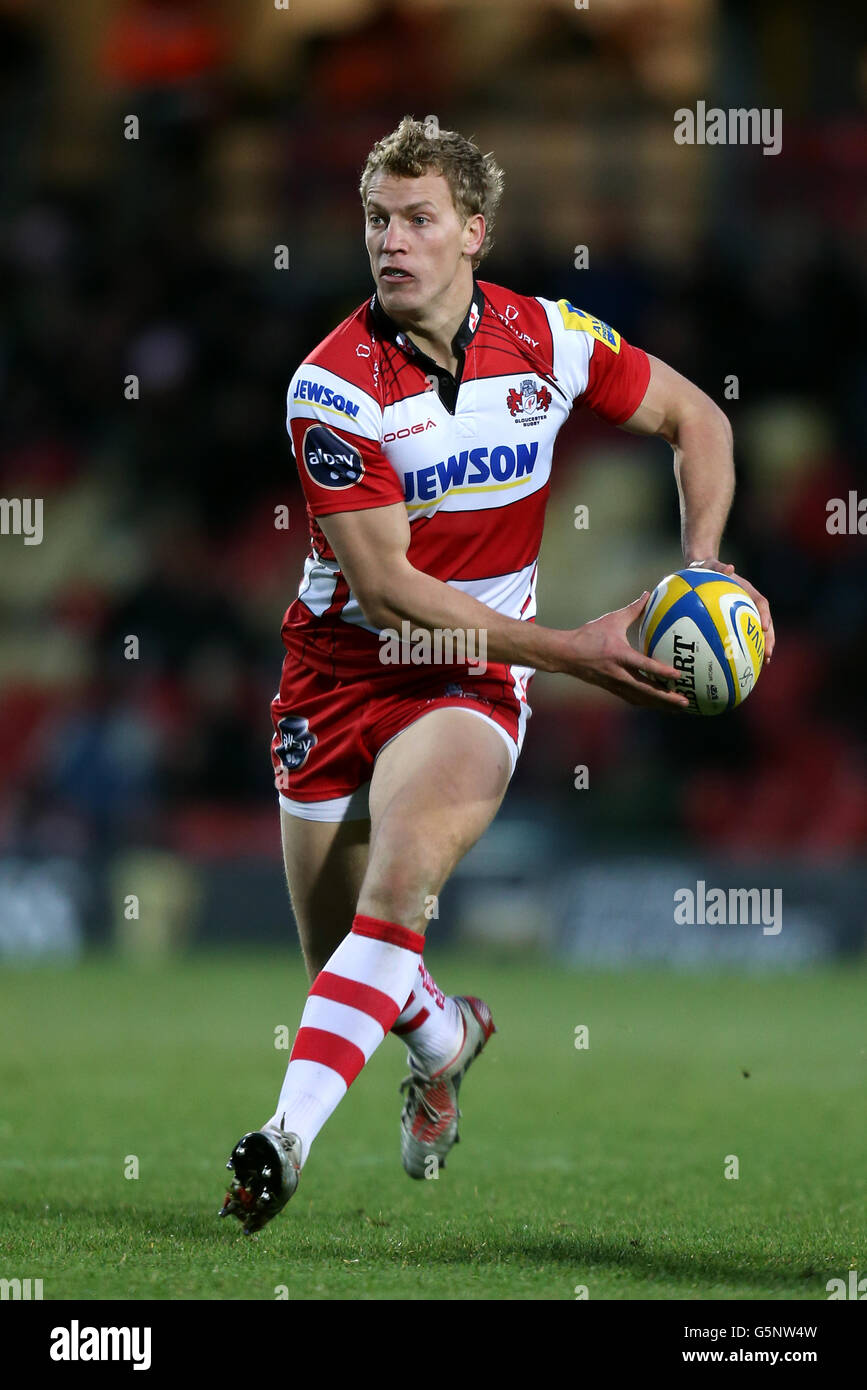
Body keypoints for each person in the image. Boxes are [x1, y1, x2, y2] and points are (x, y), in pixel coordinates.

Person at [219, 116, 773, 1234]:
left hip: (469, 683)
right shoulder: (332, 386)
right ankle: (444, 1039)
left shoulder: (552, 339)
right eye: (378, 218)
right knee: (346, 968)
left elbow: (697, 418)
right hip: (334, 680)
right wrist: (574, 650)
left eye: (419, 219)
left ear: (474, 230)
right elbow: (390, 596)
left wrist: (703, 569)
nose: (393, 240)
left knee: (395, 896)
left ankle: (281, 1140)